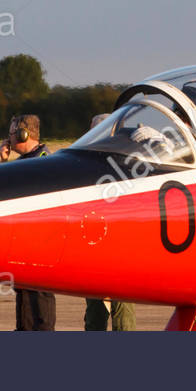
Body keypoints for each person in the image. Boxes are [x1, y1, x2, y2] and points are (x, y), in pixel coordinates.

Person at [0, 114, 55, 330]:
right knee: (23, 291)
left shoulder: (43, 161)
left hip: (41, 242)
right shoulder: (26, 162)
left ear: (24, 134)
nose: (8, 139)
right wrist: (4, 163)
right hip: (26, 242)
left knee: (39, 293)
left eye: (12, 134)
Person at [82, 113, 137, 331]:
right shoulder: (85, 164)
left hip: (118, 242)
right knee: (95, 306)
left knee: (122, 304)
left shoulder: (127, 163)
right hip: (93, 242)